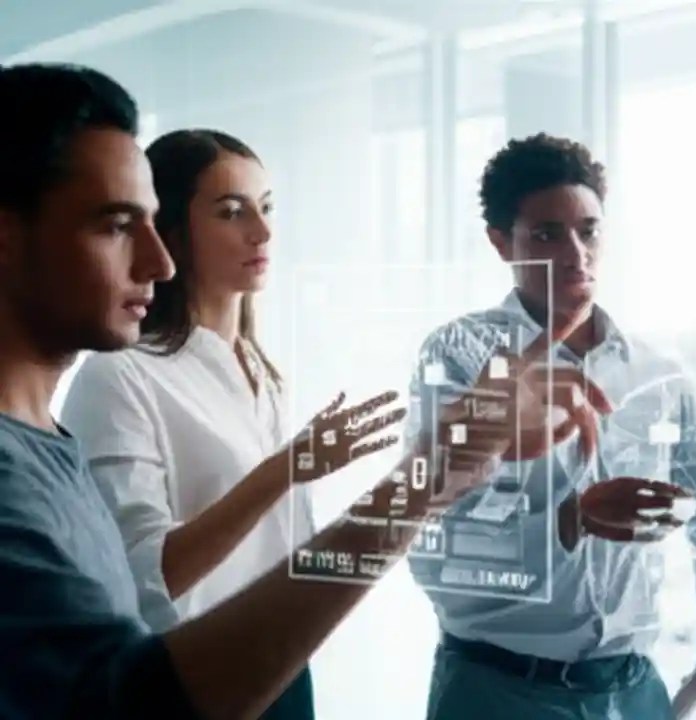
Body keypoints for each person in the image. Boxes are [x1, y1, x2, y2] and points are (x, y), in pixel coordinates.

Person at [0, 61, 599, 718]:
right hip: (212, 675)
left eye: (266, 208)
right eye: (116, 224)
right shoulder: (111, 387)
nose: (157, 263)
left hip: (271, 671)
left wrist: (435, 475)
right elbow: (141, 686)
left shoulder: (244, 378)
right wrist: (430, 472)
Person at [58, 128, 403, 719]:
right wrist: (285, 469)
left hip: (283, 669)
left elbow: (281, 554)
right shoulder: (119, 377)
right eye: (231, 211)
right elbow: (151, 575)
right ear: (170, 232)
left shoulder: (262, 374)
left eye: (266, 209)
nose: (262, 232)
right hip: (193, 686)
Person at [406, 133, 696, 720]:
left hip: (636, 691)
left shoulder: (659, 377)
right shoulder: (462, 356)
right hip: (498, 691)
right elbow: (428, 535)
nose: (575, 253)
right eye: (546, 234)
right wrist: (571, 519)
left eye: (588, 230)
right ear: (500, 243)